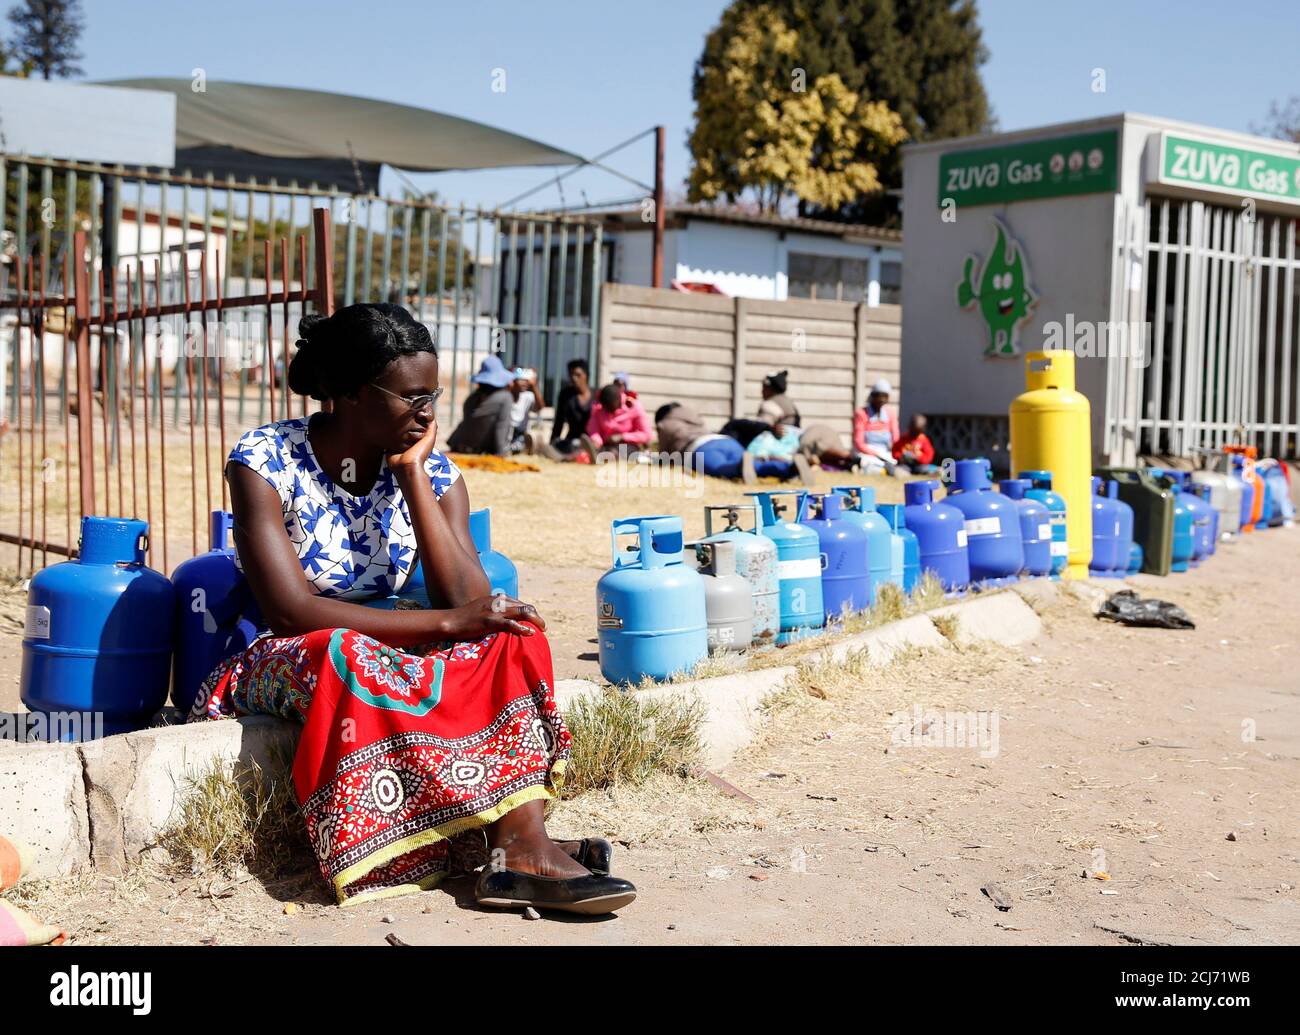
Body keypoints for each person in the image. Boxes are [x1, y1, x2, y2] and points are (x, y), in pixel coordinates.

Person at [194, 303, 635, 915]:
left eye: (432, 396)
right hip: (293, 654)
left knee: (514, 631)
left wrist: (412, 478)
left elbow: (469, 600)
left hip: (399, 635)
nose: (426, 413)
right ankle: (438, 848)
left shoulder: (436, 472)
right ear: (347, 394)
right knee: (350, 651)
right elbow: (292, 613)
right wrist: (449, 626)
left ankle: (518, 848)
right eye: (408, 397)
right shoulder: (267, 459)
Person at [654, 401, 799, 483]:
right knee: (751, 463)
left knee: (722, 468)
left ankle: (740, 468)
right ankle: (787, 467)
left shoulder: (664, 424)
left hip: (699, 449)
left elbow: (665, 456)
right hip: (725, 440)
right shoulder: (693, 416)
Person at [446, 355, 516, 456]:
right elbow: (501, 428)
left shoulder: (472, 398)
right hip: (478, 450)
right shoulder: (505, 398)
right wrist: (502, 454)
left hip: (459, 445)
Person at [541, 359, 592, 461]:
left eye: (578, 375)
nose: (574, 378)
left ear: (586, 375)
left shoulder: (596, 396)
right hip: (572, 440)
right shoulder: (566, 395)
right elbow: (559, 421)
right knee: (558, 447)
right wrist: (552, 442)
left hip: (591, 441)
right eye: (571, 375)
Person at [585, 382, 652, 459]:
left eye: (611, 408)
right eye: (606, 408)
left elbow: (646, 434)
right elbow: (593, 430)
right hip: (605, 445)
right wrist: (597, 441)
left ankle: (603, 456)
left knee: (613, 452)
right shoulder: (598, 407)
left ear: (619, 400)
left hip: (628, 446)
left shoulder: (634, 406)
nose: (609, 411)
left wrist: (622, 436)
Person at [853, 378, 901, 475]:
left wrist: (894, 452)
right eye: (879, 397)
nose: (881, 400)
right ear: (873, 397)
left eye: (885, 397)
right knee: (866, 460)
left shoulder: (890, 413)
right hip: (867, 453)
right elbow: (859, 442)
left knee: (893, 461)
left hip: (885, 453)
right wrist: (875, 454)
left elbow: (896, 439)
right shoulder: (861, 413)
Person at [746, 420, 815, 483]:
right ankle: (749, 473)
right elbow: (754, 451)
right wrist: (768, 457)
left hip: (782, 462)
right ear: (772, 428)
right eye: (778, 427)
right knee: (755, 464)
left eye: (782, 428)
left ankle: (799, 470)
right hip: (764, 462)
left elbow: (793, 453)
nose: (780, 430)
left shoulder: (791, 438)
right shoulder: (765, 436)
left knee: (789, 465)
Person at [508, 366, 544, 454]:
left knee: (521, 441)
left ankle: (526, 446)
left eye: (526, 380)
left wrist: (534, 387)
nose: (524, 383)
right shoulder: (506, 396)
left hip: (521, 432)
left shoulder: (528, 396)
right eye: (520, 380)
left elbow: (540, 407)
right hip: (507, 430)